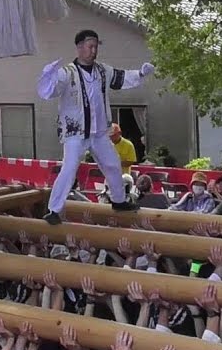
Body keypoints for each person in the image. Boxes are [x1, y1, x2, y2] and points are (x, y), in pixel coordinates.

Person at [36, 30, 152, 224]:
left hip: (99, 132)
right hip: (76, 133)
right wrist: (48, 77)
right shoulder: (67, 73)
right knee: (69, 168)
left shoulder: (103, 71)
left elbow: (121, 78)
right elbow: (49, 92)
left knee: (113, 165)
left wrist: (140, 74)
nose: (94, 50)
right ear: (80, 47)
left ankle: (118, 200)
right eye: (90, 46)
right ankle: (54, 209)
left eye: (96, 46)